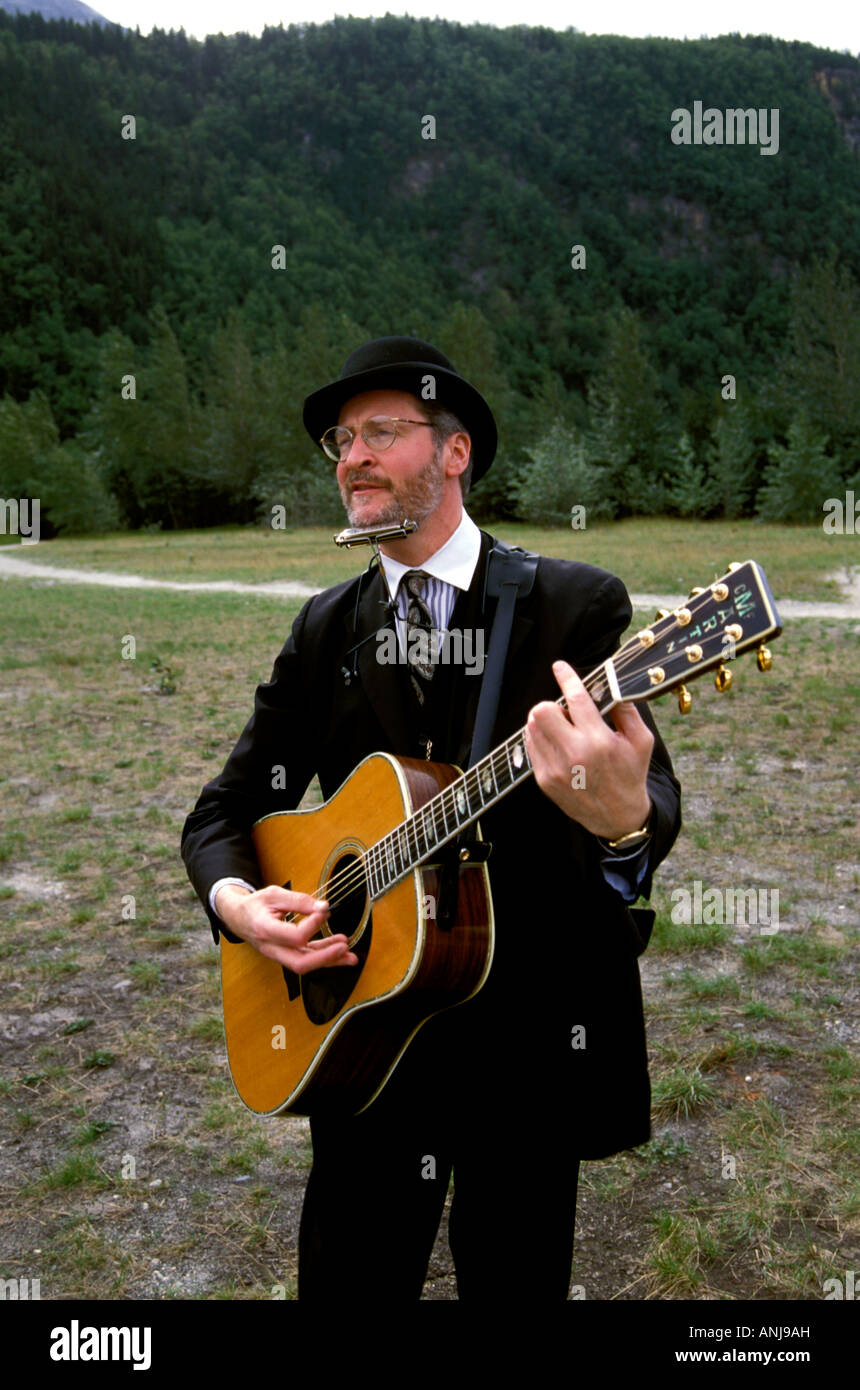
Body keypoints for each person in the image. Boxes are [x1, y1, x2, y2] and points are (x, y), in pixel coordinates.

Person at [181, 336, 682, 1302]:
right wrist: (239, 903)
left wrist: (623, 824)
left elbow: (648, 797)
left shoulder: (569, 606)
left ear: (455, 453)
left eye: (380, 433)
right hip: (365, 1038)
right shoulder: (327, 625)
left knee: (517, 1279)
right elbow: (226, 808)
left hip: (526, 1046)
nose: (349, 457)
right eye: (341, 439)